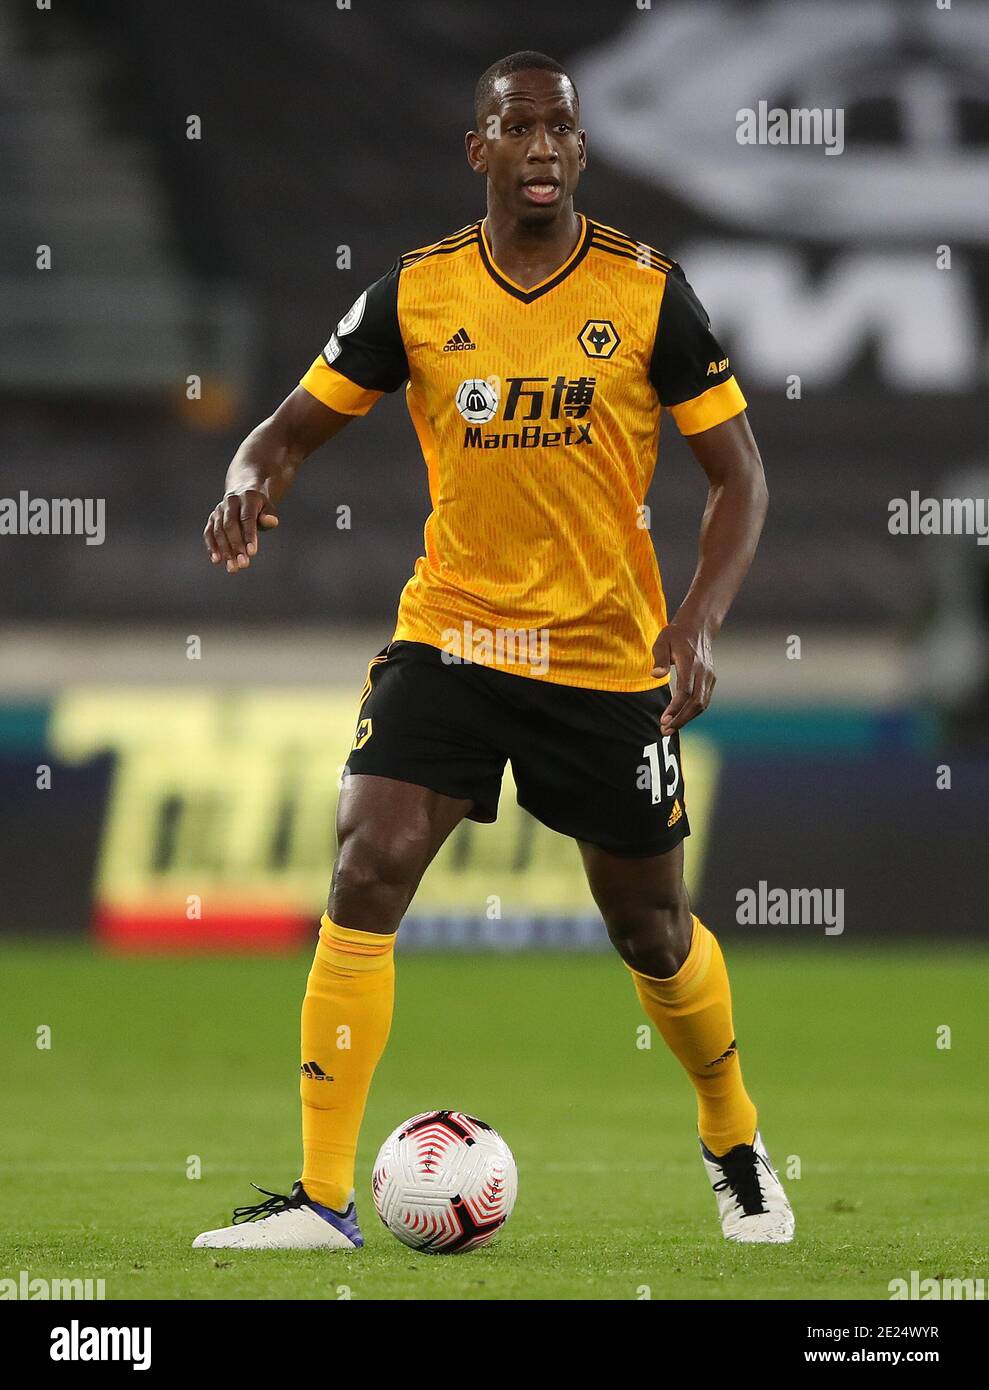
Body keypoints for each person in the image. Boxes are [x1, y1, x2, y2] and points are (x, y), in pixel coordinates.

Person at [194, 50, 792, 1251]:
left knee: (651, 931)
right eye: (513, 127)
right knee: (366, 862)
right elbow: (287, 429)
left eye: (556, 130)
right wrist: (248, 481)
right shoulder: (414, 294)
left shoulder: (644, 292)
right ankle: (320, 1200)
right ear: (478, 149)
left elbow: (737, 478)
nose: (537, 147)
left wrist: (694, 626)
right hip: (453, 636)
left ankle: (733, 1142)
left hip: (602, 657)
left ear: (579, 151)